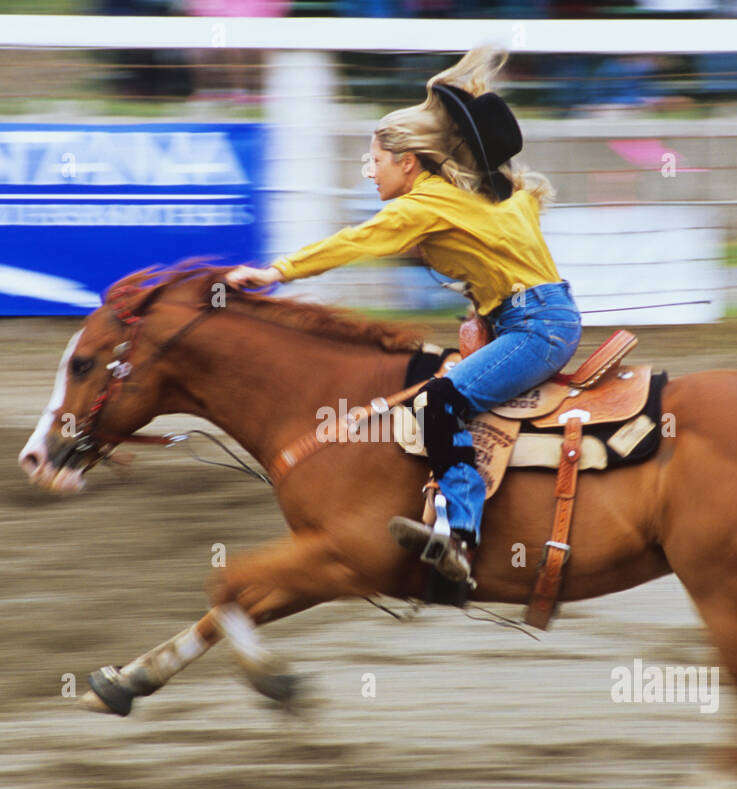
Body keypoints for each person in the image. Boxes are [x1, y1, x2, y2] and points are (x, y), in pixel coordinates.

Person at [226, 46, 582, 586]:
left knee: (438, 401)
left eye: (375, 161)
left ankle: (459, 536)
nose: (369, 172)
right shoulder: (491, 192)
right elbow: (519, 215)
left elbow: (355, 241)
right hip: (540, 319)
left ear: (408, 161)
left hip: (533, 326)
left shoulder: (424, 204)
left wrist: (277, 271)